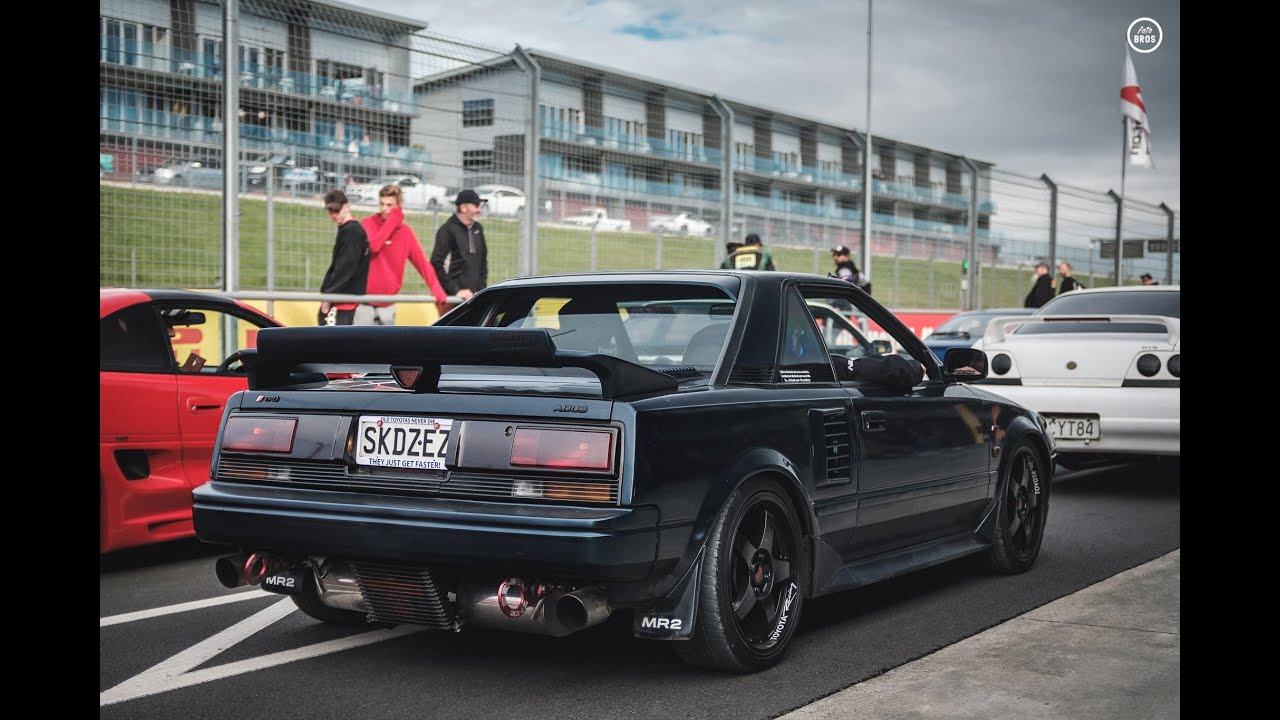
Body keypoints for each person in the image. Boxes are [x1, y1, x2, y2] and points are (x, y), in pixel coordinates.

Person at [356, 184, 449, 325]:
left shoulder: (405, 233)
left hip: (388, 303)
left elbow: (423, 264)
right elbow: (374, 246)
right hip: (363, 301)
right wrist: (393, 221)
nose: (384, 209)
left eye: (389, 205)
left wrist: (438, 292)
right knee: (359, 345)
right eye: (381, 204)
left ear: (399, 206)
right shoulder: (367, 224)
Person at [318, 189, 369, 326]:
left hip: (343, 300)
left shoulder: (351, 231)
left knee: (332, 342)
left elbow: (346, 268)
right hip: (342, 297)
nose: (333, 215)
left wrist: (328, 296)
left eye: (337, 210)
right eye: (330, 211)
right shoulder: (348, 229)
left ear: (346, 206)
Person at [430, 189, 490, 306]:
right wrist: (455, 291)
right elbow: (436, 264)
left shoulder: (478, 228)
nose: (479, 209)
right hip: (453, 300)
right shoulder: (447, 230)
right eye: (476, 206)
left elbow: (483, 262)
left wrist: (481, 290)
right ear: (463, 208)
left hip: (476, 297)